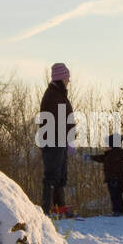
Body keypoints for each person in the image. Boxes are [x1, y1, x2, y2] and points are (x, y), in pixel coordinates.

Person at [38, 62, 74, 216]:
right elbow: (58, 121)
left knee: (61, 176)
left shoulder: (59, 95)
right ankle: (46, 210)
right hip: (53, 141)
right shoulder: (53, 96)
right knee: (52, 176)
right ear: (61, 78)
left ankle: (59, 208)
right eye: (67, 78)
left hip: (60, 140)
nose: (68, 81)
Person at [89, 132, 123, 215]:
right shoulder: (118, 153)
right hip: (118, 179)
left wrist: (91, 157)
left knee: (115, 195)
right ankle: (118, 211)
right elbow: (102, 158)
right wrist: (91, 157)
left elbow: (103, 158)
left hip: (114, 179)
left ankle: (117, 211)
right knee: (117, 195)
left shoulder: (114, 154)